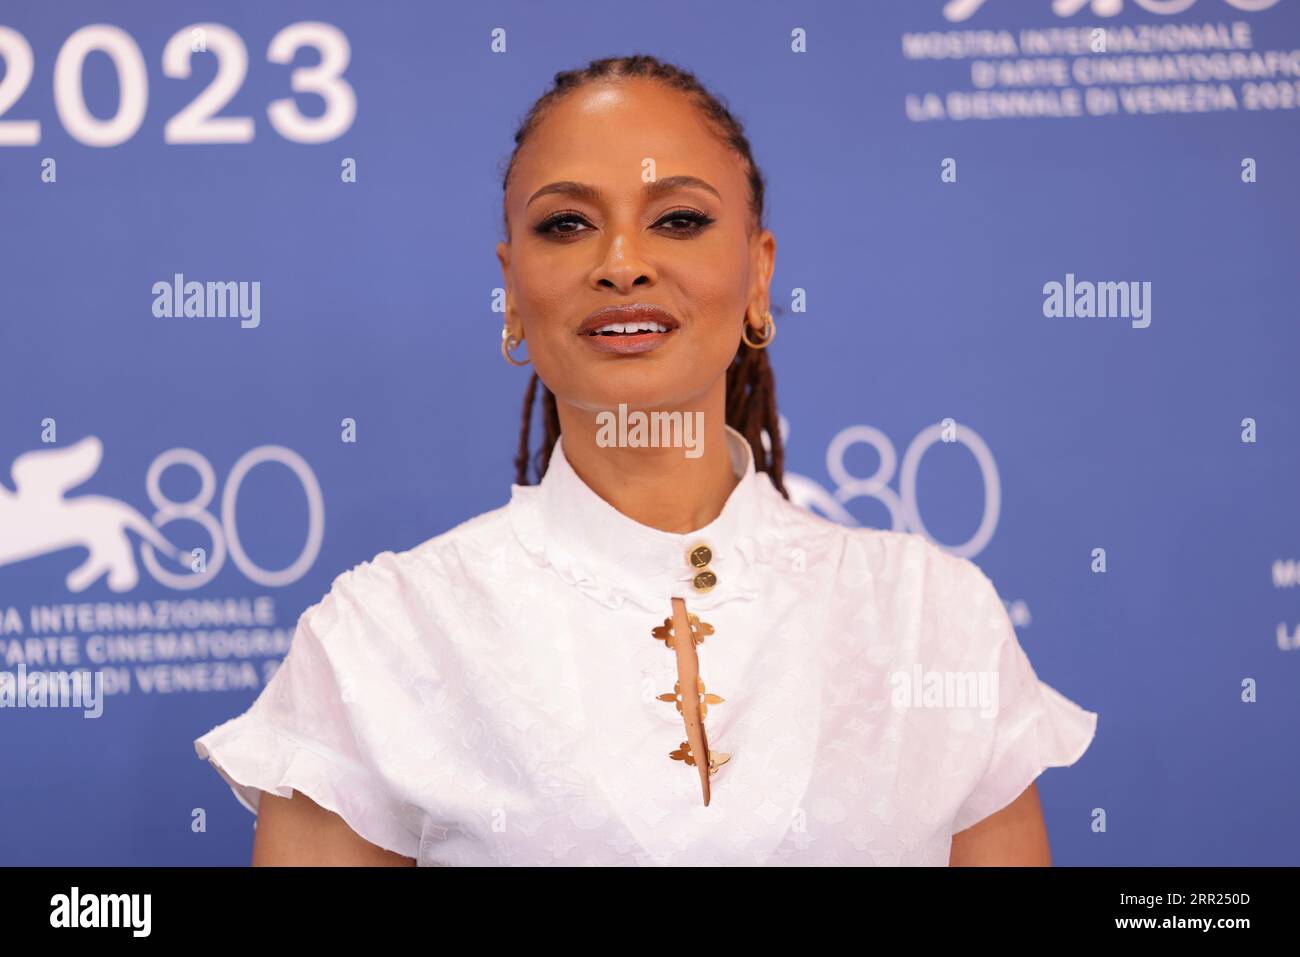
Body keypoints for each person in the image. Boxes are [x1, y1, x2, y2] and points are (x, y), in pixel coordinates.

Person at [194, 54, 1097, 866]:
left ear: (758, 274)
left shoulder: (930, 619)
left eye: (677, 218)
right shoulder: (380, 639)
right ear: (511, 291)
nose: (623, 263)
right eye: (566, 226)